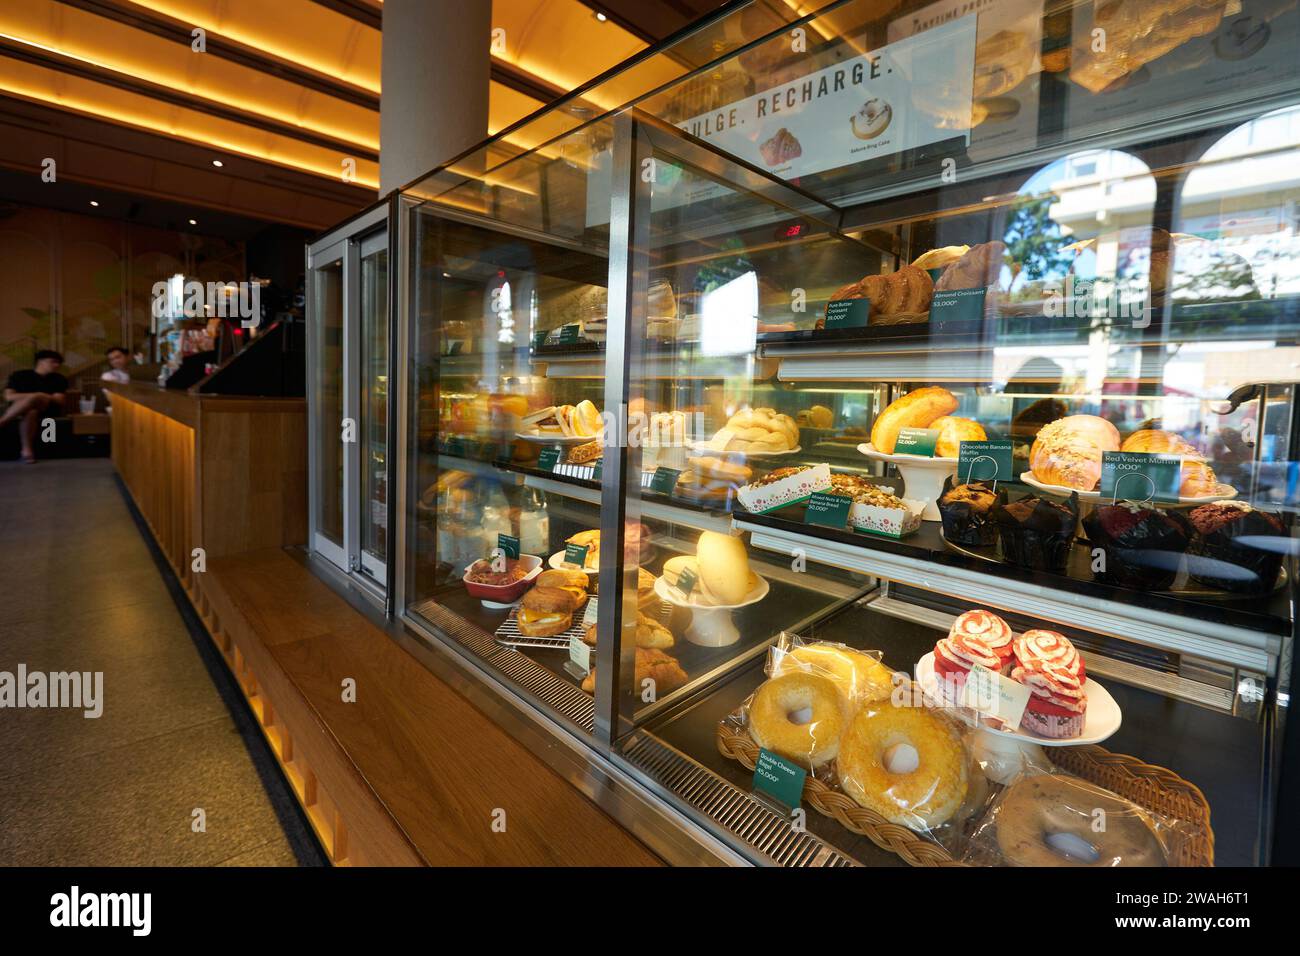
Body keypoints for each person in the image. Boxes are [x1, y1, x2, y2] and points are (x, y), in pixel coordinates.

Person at [1, 349, 68, 463]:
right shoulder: (19, 375)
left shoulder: (59, 379)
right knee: (31, 411)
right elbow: (9, 397)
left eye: (58, 363)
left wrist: (40, 396)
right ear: (40, 361)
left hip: (48, 409)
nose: (56, 365)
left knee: (36, 398)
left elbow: (59, 400)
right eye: (53, 361)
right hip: (22, 410)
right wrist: (36, 395)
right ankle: (27, 451)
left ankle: (2, 421)